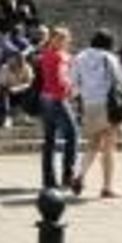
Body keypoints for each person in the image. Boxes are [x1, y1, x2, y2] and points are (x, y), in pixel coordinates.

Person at [71, 29, 122, 198]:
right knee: (109, 146)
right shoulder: (109, 57)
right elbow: (119, 82)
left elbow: (73, 82)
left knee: (93, 143)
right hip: (107, 104)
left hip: (89, 104)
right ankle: (107, 187)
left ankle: (80, 174)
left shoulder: (79, 57)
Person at [37, 27, 80, 192]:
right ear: (54, 39)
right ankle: (67, 175)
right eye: (62, 39)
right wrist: (71, 91)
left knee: (50, 140)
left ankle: (48, 179)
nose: (65, 42)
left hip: (45, 98)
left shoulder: (46, 55)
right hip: (57, 99)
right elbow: (61, 80)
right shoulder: (58, 56)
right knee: (73, 134)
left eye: (66, 39)